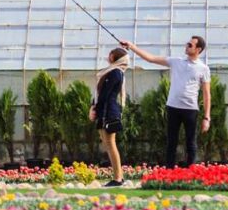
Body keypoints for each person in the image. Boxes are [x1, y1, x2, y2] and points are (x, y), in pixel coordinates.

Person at [123, 36, 211, 168]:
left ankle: (191, 172)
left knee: (191, 143)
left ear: (198, 49)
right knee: (171, 142)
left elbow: (206, 94)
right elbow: (151, 59)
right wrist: (131, 46)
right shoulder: (176, 61)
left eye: (190, 45)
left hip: (191, 110)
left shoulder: (203, 68)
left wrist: (206, 117)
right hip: (173, 107)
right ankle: (168, 172)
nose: (186, 46)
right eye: (187, 43)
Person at [89, 47, 129, 187]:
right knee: (108, 144)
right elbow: (100, 94)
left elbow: (105, 95)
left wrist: (95, 110)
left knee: (111, 144)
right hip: (104, 111)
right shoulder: (111, 72)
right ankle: (118, 176)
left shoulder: (115, 73)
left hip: (108, 112)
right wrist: (93, 108)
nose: (108, 56)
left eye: (111, 54)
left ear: (115, 57)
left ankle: (118, 178)